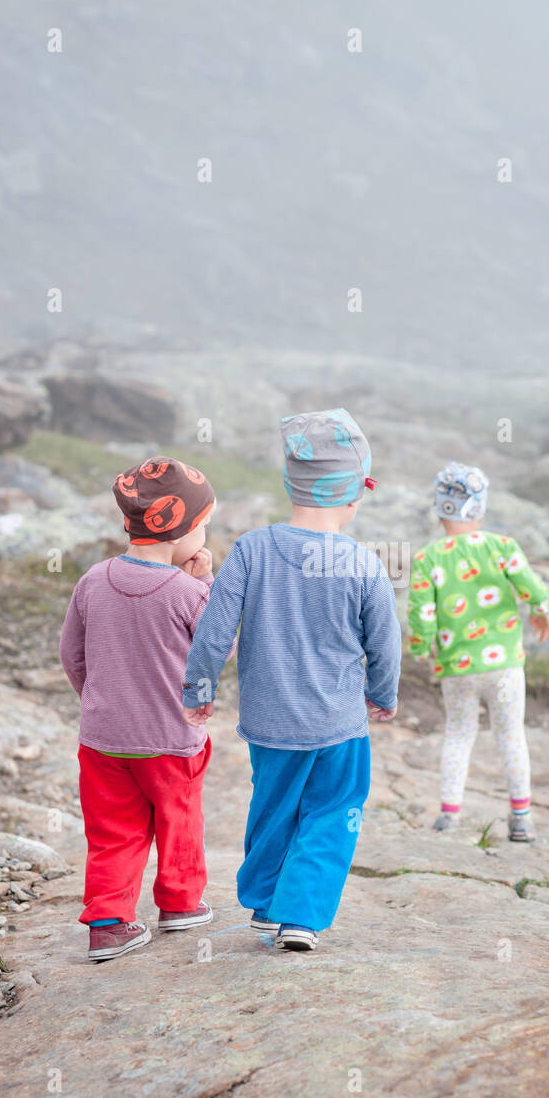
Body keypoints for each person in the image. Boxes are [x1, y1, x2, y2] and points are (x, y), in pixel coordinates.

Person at [182, 408, 401, 952]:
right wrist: (383, 694)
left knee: (272, 806)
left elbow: (213, 631)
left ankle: (262, 902)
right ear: (353, 495)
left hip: (269, 720)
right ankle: (300, 917)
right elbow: (385, 643)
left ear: (291, 484)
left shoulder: (252, 549)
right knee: (331, 815)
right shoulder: (365, 564)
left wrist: (200, 690)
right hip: (340, 725)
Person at [59, 456, 222, 962]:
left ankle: (109, 923)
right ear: (181, 532)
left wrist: (98, 700)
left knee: (112, 830)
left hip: (103, 741)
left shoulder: (94, 579)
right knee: (179, 818)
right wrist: (206, 584)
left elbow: (72, 654)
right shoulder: (185, 591)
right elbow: (218, 648)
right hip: (172, 740)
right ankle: (179, 904)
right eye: (204, 527)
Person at [407, 461, 549, 841]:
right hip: (504, 665)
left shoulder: (428, 559)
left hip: (457, 667)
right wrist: (542, 611)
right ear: (481, 507)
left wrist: (423, 648)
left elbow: (421, 614)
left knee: (458, 734)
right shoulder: (502, 547)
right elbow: (531, 588)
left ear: (440, 509)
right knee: (511, 735)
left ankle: (449, 815)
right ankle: (520, 817)